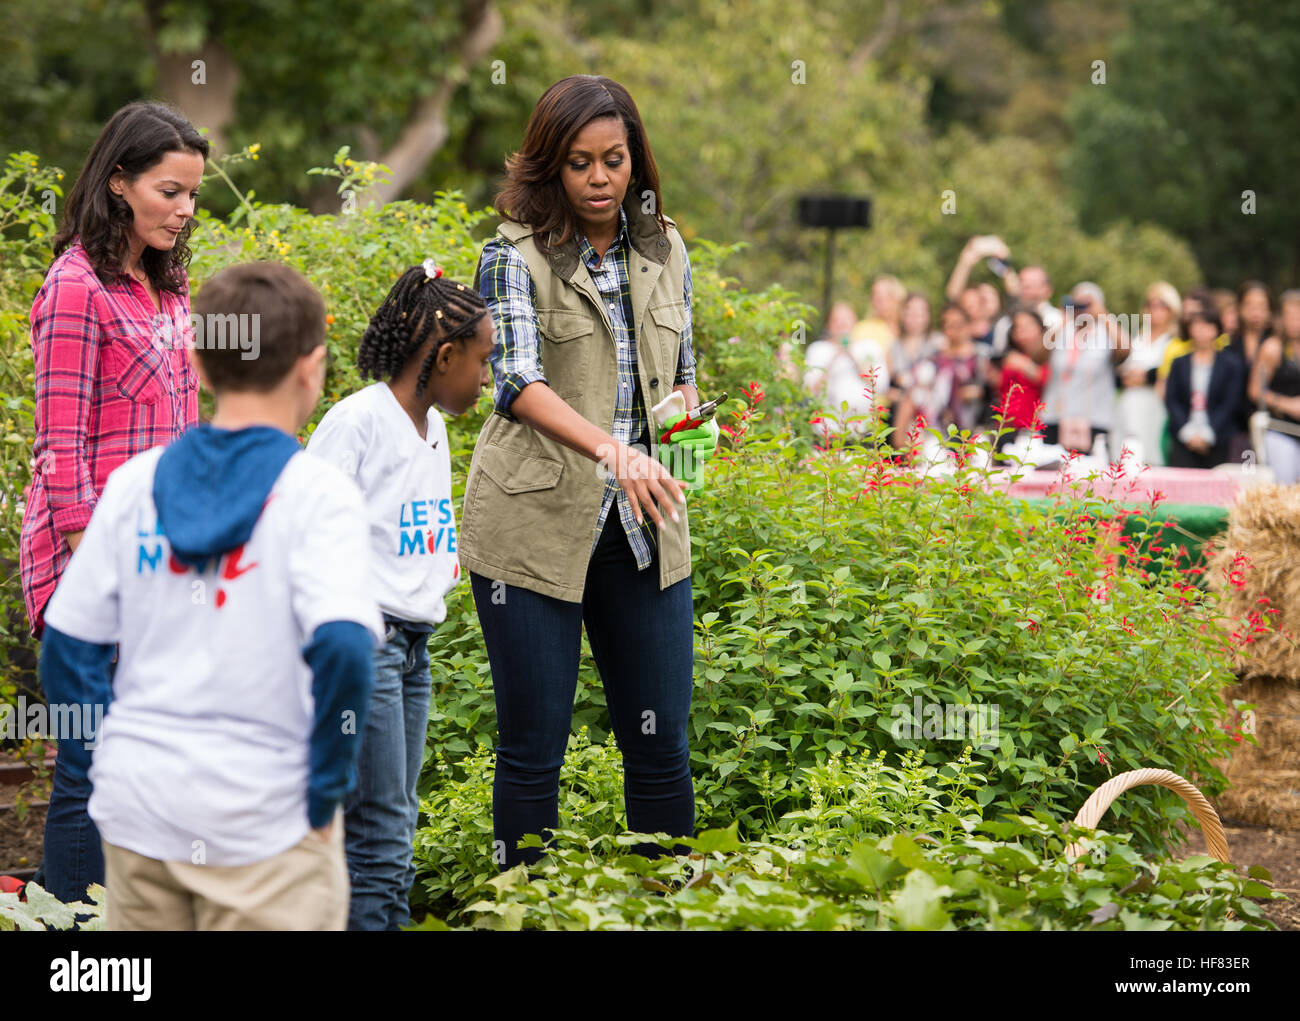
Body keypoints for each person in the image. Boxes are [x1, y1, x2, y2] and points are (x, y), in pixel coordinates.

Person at [39, 262, 384, 929]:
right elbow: (344, 647)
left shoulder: (134, 486)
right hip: (266, 825)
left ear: (196, 362)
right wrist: (323, 793)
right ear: (311, 367)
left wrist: (106, 757)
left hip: (140, 815)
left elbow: (67, 645)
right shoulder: (318, 494)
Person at [459, 75, 717, 870]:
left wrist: (685, 430)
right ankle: (524, 912)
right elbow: (515, 382)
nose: (601, 178)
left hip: (643, 522)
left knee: (662, 744)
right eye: (579, 163)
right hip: (534, 523)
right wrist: (613, 449)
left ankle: (666, 906)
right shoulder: (512, 258)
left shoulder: (665, 245)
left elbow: (684, 369)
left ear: (636, 159)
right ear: (551, 168)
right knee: (535, 747)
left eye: (615, 159)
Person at [19, 101, 207, 906]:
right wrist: (118, 574)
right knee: (89, 766)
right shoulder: (74, 288)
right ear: (120, 181)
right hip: (86, 571)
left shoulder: (164, 284)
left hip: (163, 562)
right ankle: (74, 943)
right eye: (170, 191)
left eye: (194, 195)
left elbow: (187, 425)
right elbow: (60, 453)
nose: (185, 210)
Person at [305, 262, 494, 929]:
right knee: (380, 835)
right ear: (444, 356)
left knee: (398, 822)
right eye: (482, 361)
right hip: (369, 644)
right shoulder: (357, 422)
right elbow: (304, 526)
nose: (487, 378)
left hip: (414, 647)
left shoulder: (434, 428)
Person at [1040, 282, 1123, 454]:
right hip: (1057, 416)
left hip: (1093, 418)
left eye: (1086, 304)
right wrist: (1064, 319)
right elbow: (1039, 354)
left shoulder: (1105, 333)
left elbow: (1125, 351)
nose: (1081, 309)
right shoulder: (1063, 329)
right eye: (1077, 303)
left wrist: (1103, 315)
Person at [1165, 301, 1243, 469]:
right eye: (1196, 325)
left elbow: (1230, 403)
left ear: (1216, 329)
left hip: (1219, 439)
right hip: (1184, 438)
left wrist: (1208, 434)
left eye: (1207, 325)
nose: (1201, 330)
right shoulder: (1179, 363)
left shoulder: (1231, 364)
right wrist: (1187, 433)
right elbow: (1172, 400)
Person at [1113, 282, 1180, 465]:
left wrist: (1146, 377)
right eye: (1151, 305)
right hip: (1129, 402)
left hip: (1155, 404)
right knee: (1124, 455)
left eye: (1161, 306)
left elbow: (1174, 372)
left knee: (1150, 455)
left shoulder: (1175, 341)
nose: (1154, 310)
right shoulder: (1137, 337)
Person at [804, 300, 889, 439]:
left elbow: (882, 386)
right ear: (828, 324)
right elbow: (809, 391)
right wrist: (833, 359)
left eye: (847, 319)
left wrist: (853, 357)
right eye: (837, 320)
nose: (842, 324)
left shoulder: (870, 347)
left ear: (855, 322)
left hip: (863, 432)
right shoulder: (817, 349)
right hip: (827, 432)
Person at [1249, 290, 1300, 483]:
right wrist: (1289, 405)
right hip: (1282, 431)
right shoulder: (1273, 347)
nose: (1295, 322)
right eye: (1290, 316)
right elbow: (1255, 391)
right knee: (1284, 489)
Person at [994, 305, 1051, 448]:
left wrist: (1023, 365)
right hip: (1006, 428)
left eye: (1027, 327)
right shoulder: (1008, 357)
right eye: (1017, 328)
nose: (1022, 332)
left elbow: (1044, 379)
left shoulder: (1049, 356)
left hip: (1035, 431)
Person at [850, 275, 905, 351]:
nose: (883, 303)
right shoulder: (863, 329)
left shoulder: (909, 327)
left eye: (888, 297)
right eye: (878, 298)